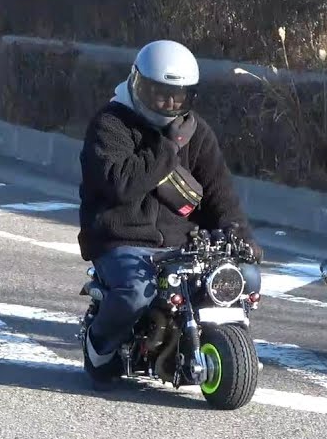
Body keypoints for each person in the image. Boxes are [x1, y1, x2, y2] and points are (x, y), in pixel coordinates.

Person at [77, 39, 263, 387]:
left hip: (181, 243)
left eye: (178, 96)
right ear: (138, 83)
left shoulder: (197, 131)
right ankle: (98, 347)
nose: (169, 103)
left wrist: (240, 235)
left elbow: (219, 192)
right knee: (136, 292)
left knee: (246, 278)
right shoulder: (111, 124)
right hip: (121, 239)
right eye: (160, 93)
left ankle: (212, 341)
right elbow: (121, 184)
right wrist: (167, 147)